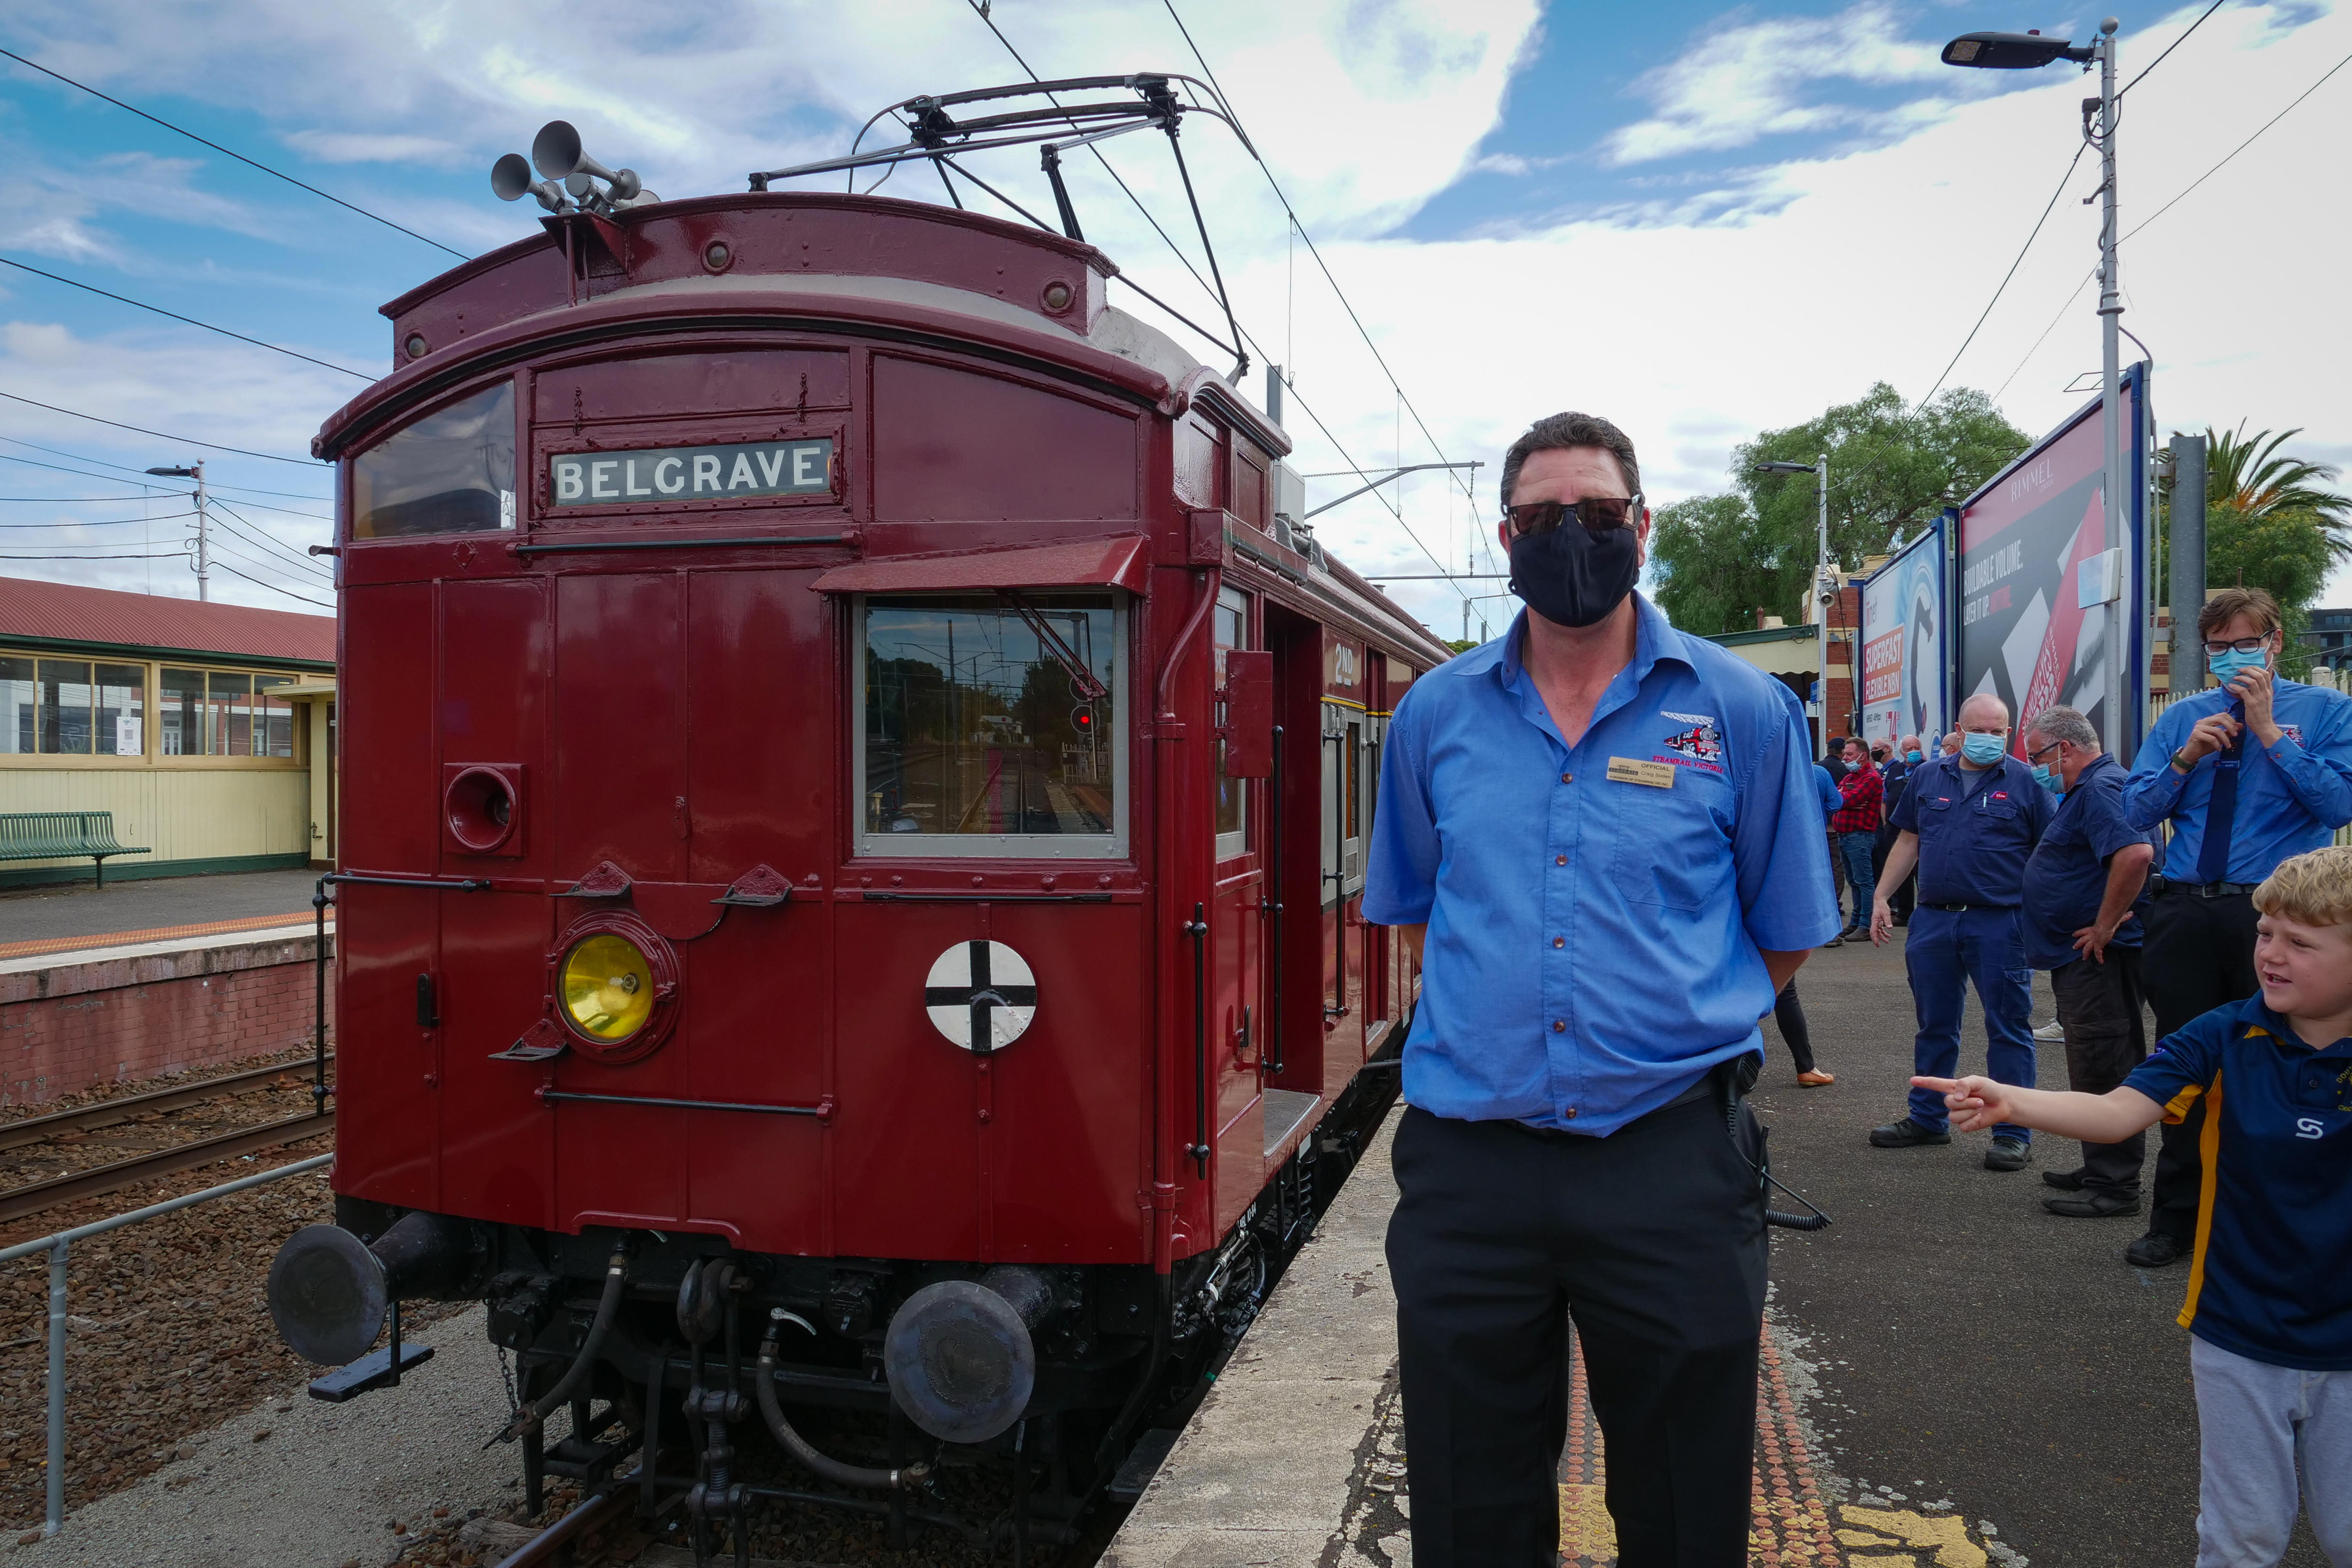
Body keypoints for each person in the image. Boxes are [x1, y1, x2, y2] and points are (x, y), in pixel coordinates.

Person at [1367, 409, 1840, 1567]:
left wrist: (1666, 1017)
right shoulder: (1434, 716)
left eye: (1593, 512)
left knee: (1684, 1510)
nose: (1568, 534)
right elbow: (1427, 912)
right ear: (1503, 534)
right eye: (1540, 516)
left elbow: (1780, 933)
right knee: (1469, 1509)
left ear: (1641, 523)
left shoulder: (1740, 711)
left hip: (1668, 1163)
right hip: (1473, 1167)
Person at [1914, 844, 2352, 1568]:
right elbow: (2117, 1113)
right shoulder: (2223, 1035)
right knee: (2242, 1538)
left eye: (2300, 942)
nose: (2270, 954)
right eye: (2266, 932)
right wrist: (2011, 1098)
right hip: (2239, 1333)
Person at [2121, 586, 2352, 1268]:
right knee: (2186, 1061)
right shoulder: (2183, 718)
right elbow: (2136, 811)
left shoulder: (2326, 710)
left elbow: (2338, 801)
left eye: (2245, 644)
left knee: (2283, 1063)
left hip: (2277, 915)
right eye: (2218, 647)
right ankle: (2176, 1219)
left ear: (2276, 642)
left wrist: (2270, 733)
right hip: (2188, 909)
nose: (2231, 657)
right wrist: (2187, 756)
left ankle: (2275, 1224)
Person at [1867, 693, 2054, 1170]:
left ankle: (2012, 1131)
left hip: (1999, 921)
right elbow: (1907, 839)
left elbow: (2048, 854)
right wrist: (1880, 897)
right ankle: (1928, 1120)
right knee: (1934, 1024)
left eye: (1999, 731)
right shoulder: (1928, 776)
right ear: (1958, 728)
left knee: (2007, 1027)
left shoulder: (2026, 784)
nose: (1990, 738)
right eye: (1981, 730)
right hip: (1933, 919)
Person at [2019, 705, 2157, 1216]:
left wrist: (2104, 924)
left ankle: (2116, 1183)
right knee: (2094, 1056)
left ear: (2064, 750)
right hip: (2080, 953)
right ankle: (2100, 1161)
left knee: (2104, 1059)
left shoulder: (2100, 787)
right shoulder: (2090, 788)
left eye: (2036, 756)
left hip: (2097, 954)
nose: (2033, 766)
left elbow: (2135, 854)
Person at [1831, 738, 1883, 939]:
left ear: (1863, 755)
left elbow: (1849, 799)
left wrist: (1844, 797)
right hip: (1846, 836)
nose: (1845, 758)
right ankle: (1855, 922)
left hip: (1859, 836)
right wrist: (1843, 798)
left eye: (1850, 754)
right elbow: (1837, 798)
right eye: (1845, 754)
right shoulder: (1850, 777)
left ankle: (1865, 924)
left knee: (1864, 882)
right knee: (1854, 882)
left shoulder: (1871, 778)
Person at [1876, 734, 1923, 927]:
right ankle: (1904, 912)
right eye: (1909, 749)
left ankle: (1923, 912)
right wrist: (1886, 823)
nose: (1913, 752)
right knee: (1900, 870)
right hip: (1895, 827)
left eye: (1916, 748)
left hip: (1920, 829)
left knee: (1921, 871)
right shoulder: (1894, 771)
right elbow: (1884, 799)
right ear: (1902, 752)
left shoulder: (1927, 770)